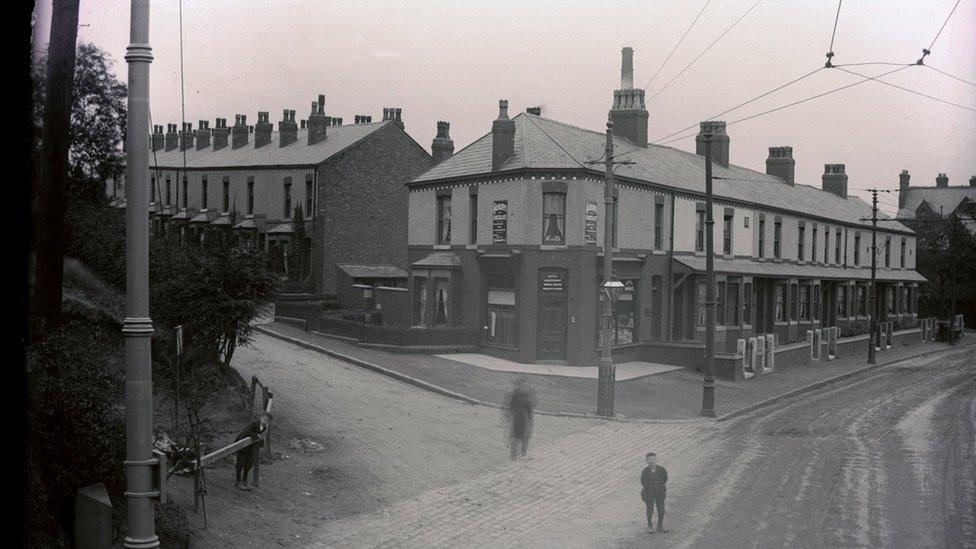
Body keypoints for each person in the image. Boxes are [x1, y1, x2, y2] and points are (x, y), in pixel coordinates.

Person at [234, 412, 271, 490]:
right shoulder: (253, 423)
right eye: (264, 419)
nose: (265, 421)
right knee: (241, 462)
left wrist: (259, 439)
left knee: (249, 462)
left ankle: (245, 481)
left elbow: (260, 435)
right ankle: (238, 482)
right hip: (242, 443)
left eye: (267, 420)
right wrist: (255, 435)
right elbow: (246, 433)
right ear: (261, 418)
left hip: (251, 445)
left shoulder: (264, 427)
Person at [506, 377, 537, 460]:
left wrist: (508, 416)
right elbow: (531, 407)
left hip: (516, 417)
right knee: (524, 437)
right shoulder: (525, 394)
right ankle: (523, 454)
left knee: (515, 437)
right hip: (524, 418)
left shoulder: (514, 393)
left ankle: (513, 456)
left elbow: (510, 406)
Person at [640, 452, 668, 533]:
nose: (651, 461)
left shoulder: (661, 469)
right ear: (646, 461)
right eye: (649, 459)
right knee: (649, 510)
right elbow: (643, 482)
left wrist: (660, 487)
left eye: (652, 459)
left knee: (661, 510)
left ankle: (660, 526)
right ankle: (650, 526)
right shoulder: (645, 471)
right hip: (649, 493)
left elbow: (665, 478)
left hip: (659, 493)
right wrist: (648, 490)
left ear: (656, 459)